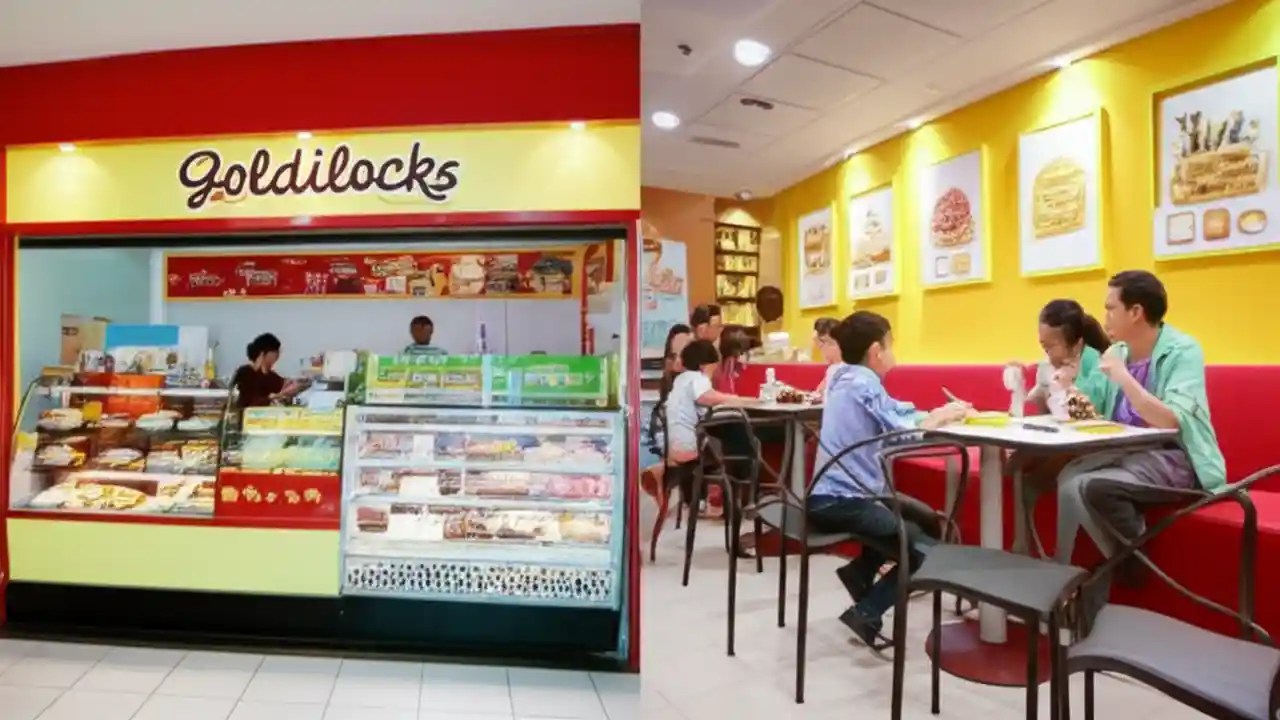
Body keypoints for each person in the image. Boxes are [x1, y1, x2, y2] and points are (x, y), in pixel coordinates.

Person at [808, 311, 970, 646]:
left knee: (922, 517)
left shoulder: (846, 378)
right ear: (876, 351)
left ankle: (860, 572)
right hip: (844, 499)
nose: (894, 354)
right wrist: (938, 417)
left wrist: (935, 414)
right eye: (891, 345)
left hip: (834, 493)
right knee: (927, 550)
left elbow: (896, 414)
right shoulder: (863, 383)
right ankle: (867, 612)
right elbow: (904, 431)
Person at [1054, 271, 1224, 574]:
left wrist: (1124, 377)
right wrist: (1071, 389)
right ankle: (1066, 567)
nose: (1104, 316)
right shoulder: (1116, 352)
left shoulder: (1183, 351)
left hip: (1176, 457)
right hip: (1126, 452)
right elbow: (1098, 414)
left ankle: (1130, 567)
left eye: (1110, 308)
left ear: (1135, 312)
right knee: (1066, 478)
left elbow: (1170, 420)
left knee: (1092, 486)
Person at [663, 339, 745, 505]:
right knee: (741, 448)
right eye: (714, 367)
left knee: (731, 440)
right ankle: (741, 501)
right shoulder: (697, 378)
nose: (715, 373)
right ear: (704, 366)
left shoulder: (681, 380)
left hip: (675, 447)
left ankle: (714, 501)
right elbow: (705, 396)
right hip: (689, 450)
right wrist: (737, 400)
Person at [231, 333, 302, 408]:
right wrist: (279, 395)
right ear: (263, 353)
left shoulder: (271, 375)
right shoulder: (245, 373)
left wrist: (290, 385)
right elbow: (248, 403)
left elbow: (282, 384)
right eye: (275, 352)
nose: (278, 356)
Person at [811, 316, 842, 399]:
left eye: (821, 346)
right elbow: (818, 393)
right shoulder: (833, 368)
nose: (821, 351)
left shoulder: (846, 370)